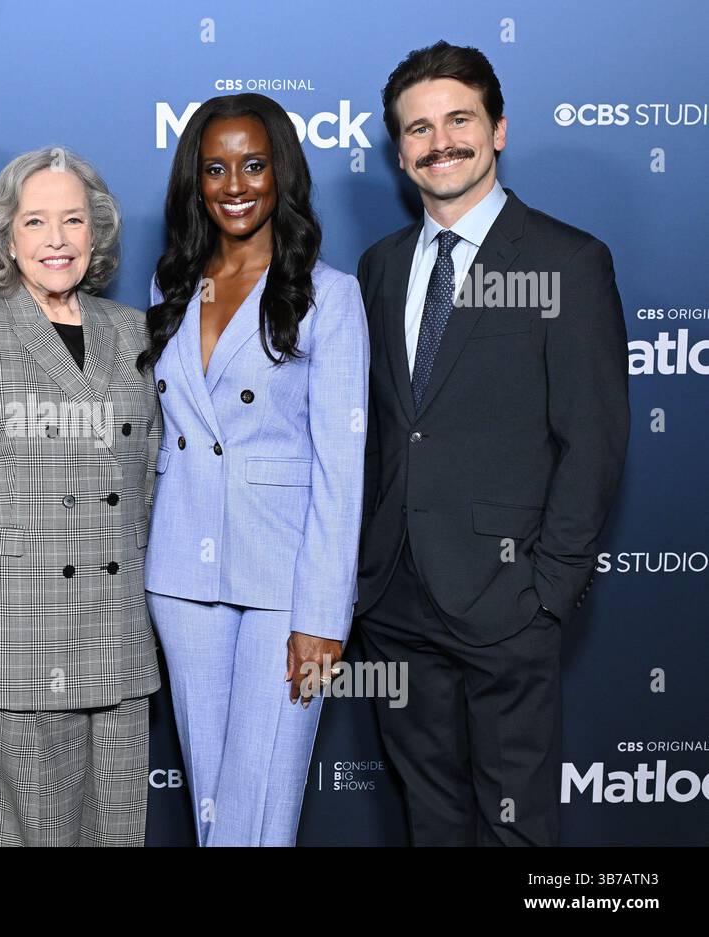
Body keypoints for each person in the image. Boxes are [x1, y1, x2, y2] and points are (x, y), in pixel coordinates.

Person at [355, 41, 629, 845]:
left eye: (459, 120)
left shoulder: (566, 261)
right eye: (418, 129)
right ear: (399, 151)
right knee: (430, 820)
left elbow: (595, 440)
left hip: (508, 602)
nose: (439, 141)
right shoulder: (378, 268)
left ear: (499, 130)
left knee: (519, 828)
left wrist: (547, 593)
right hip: (394, 600)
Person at [0, 147, 161, 846]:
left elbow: (144, 482)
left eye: (74, 220)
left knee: (113, 830)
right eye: (36, 221)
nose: (57, 239)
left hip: (115, 632)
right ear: (6, 237)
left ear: (96, 232)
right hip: (10, 633)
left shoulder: (134, 331)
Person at [142, 94, 368, 846]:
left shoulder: (329, 297)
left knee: (259, 808)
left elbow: (342, 465)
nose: (234, 183)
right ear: (194, 180)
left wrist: (322, 618)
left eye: (252, 164)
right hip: (182, 575)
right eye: (215, 167)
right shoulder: (169, 285)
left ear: (282, 174)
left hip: (285, 583)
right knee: (213, 804)